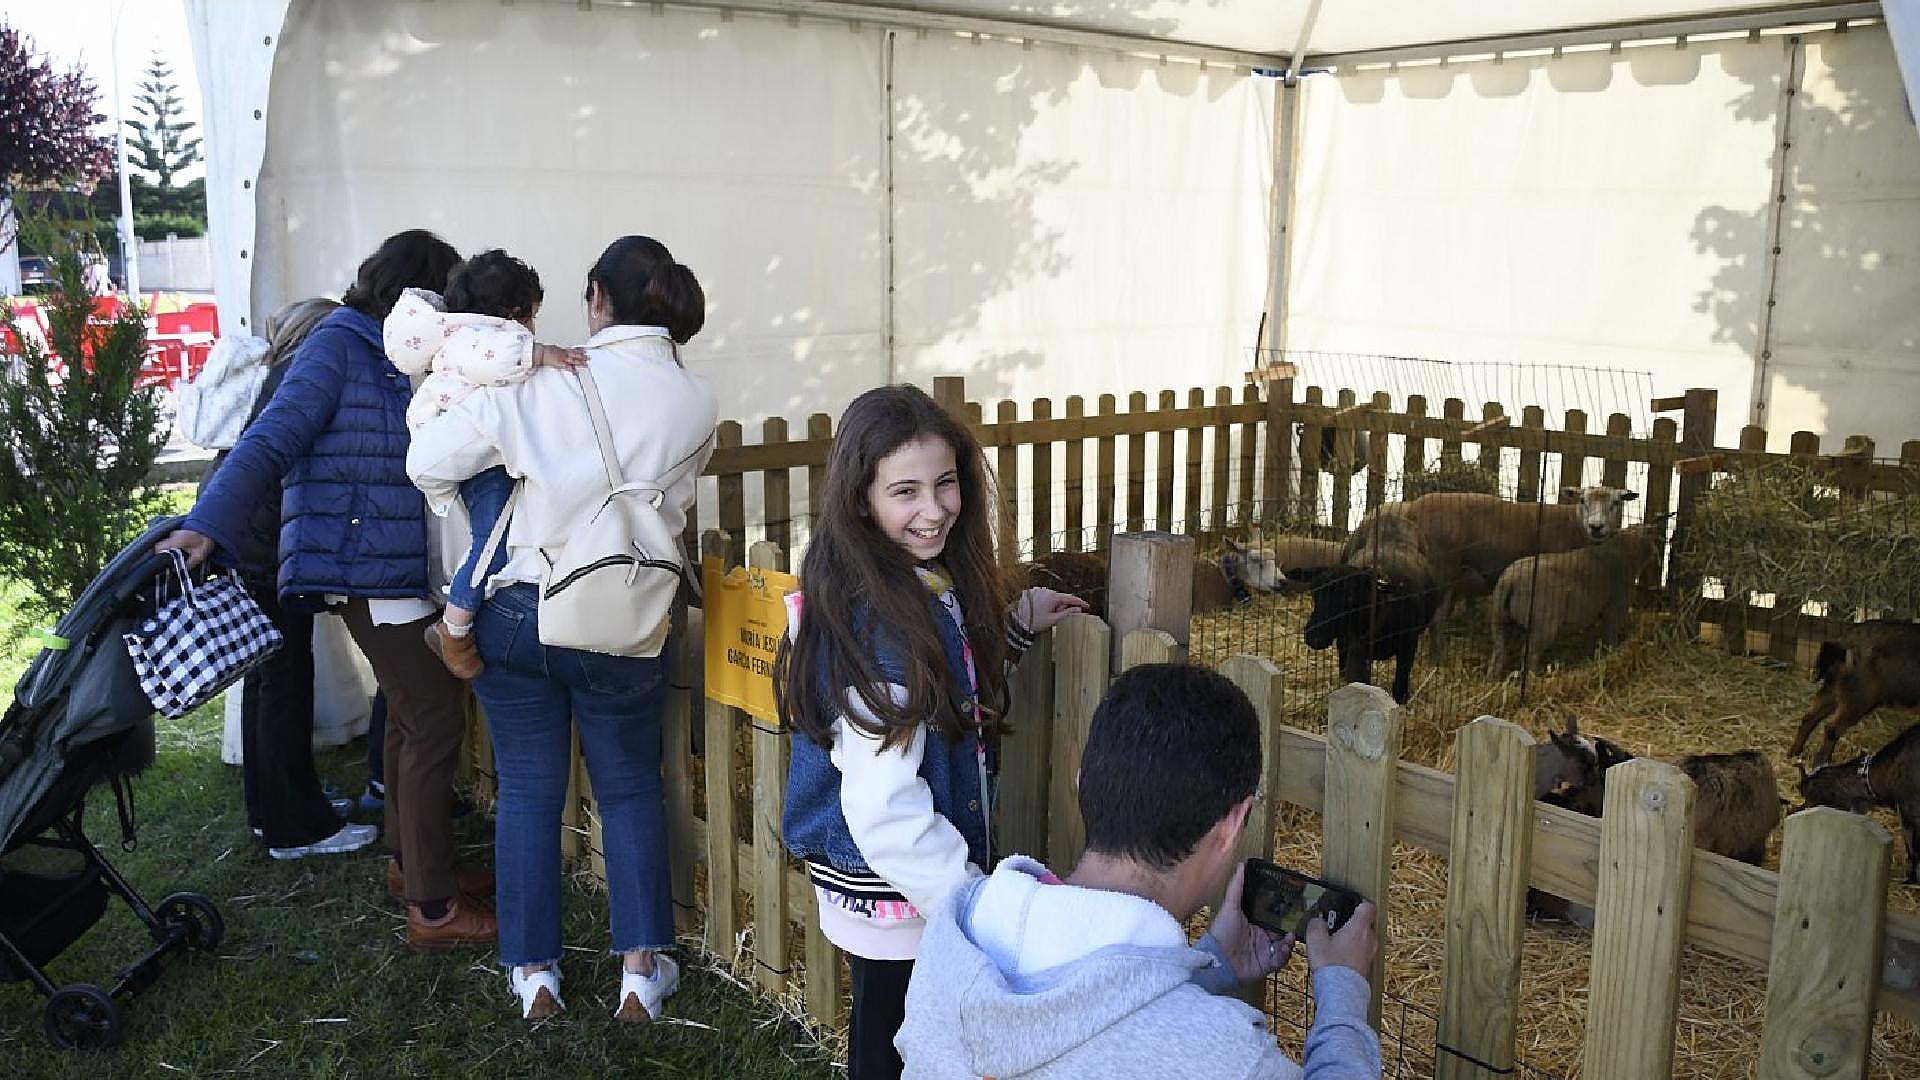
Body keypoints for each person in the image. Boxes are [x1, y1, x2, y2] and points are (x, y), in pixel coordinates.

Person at [156, 229, 500, 953]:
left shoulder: (381, 350)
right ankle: (433, 911)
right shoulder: (339, 345)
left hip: (386, 566)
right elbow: (269, 439)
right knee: (434, 714)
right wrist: (207, 524)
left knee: (412, 716)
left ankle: (415, 870)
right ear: (411, 294)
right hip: (360, 565)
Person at [407, 235, 716, 1022]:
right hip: (627, 617)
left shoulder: (545, 378)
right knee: (630, 788)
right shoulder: (697, 400)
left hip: (518, 614)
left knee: (529, 792)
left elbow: (429, 460)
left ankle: (535, 974)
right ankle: (641, 974)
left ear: (594, 297)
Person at [775, 385, 1087, 1080]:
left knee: (895, 1040)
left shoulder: (904, 581)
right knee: (898, 1049)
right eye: (905, 491)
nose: (934, 508)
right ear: (861, 498)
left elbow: (945, 684)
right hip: (908, 897)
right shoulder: (880, 628)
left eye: (945, 483)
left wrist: (1014, 624)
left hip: (897, 893)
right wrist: (965, 901)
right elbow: (884, 805)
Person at [895, 663, 1383, 1079]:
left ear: (1082, 781)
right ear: (1233, 823)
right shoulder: (1227, 1057)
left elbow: (1082, 1030)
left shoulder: (952, 938)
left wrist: (1210, 965)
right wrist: (1343, 991)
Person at [206, 297, 375, 859]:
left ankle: (271, 809)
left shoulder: (279, 375)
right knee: (284, 684)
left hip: (249, 544)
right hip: (267, 550)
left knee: (267, 682)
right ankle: (297, 827)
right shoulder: (304, 380)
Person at [381, 249, 583, 679]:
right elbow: (501, 360)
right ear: (509, 314)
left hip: (477, 458)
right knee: (491, 543)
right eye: (530, 317)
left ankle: (458, 616)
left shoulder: (469, 338)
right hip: (478, 462)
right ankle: (454, 629)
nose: (532, 329)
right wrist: (542, 354)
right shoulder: (476, 341)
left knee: (492, 539)